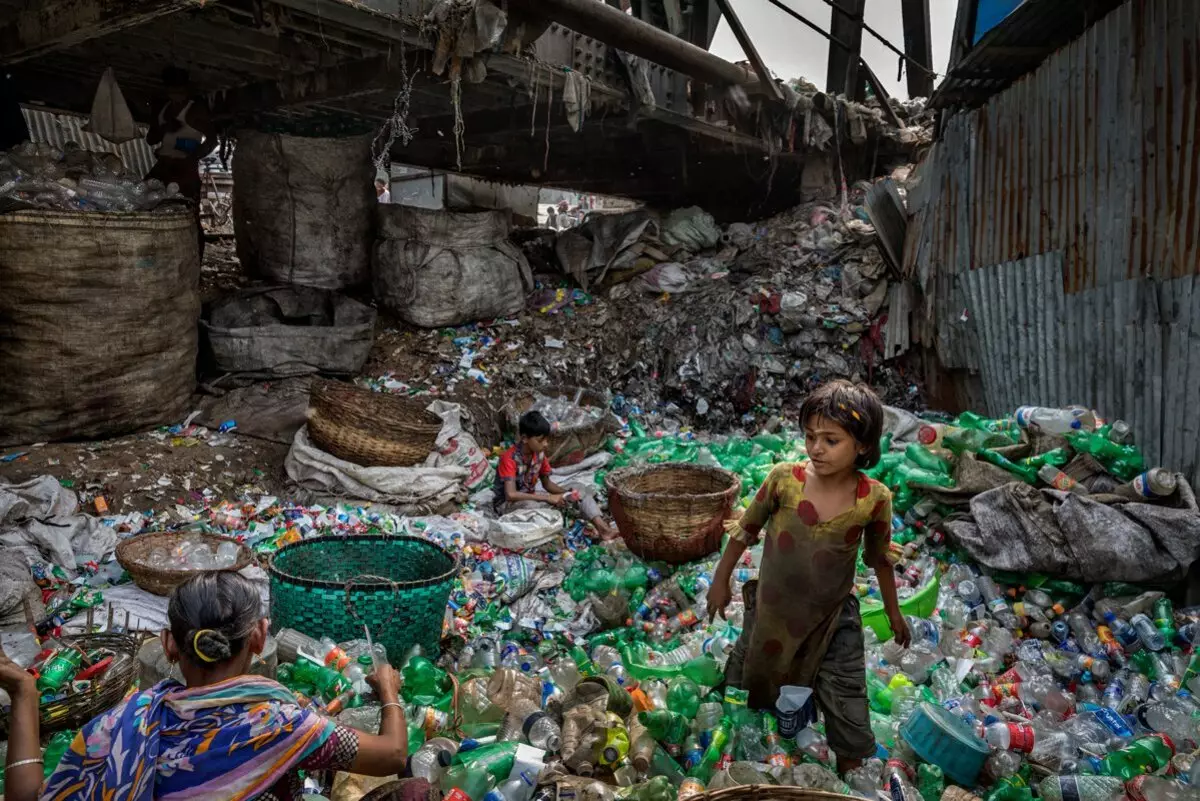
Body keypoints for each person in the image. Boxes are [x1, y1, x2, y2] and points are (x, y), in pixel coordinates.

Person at [0, 572, 408, 801]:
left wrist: (25, 692)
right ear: (260, 638)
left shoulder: (124, 724)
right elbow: (392, 755)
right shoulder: (279, 725)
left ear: (168, 644)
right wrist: (388, 690)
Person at [707, 379, 909, 776]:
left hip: (832, 618)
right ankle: (749, 760)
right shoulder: (784, 479)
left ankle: (852, 773)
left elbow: (879, 560)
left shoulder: (874, 499)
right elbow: (744, 531)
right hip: (772, 611)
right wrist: (720, 581)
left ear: (863, 445)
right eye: (811, 436)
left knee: (847, 696)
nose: (816, 448)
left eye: (831, 440)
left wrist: (894, 613)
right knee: (749, 685)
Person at [494, 410, 616, 540]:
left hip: (534, 497)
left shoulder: (539, 454)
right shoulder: (509, 458)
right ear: (524, 438)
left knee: (578, 489)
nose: (545, 444)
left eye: (546, 439)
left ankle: (603, 529)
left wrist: (566, 494)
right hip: (508, 505)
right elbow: (510, 494)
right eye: (540, 440)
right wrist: (548, 498)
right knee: (532, 506)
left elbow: (547, 484)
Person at [145, 67, 217, 260]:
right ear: (167, 90)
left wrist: (192, 157)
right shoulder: (163, 109)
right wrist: (164, 127)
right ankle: (158, 256)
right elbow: (150, 139)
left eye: (180, 91)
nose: (176, 95)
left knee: (188, 213)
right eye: (172, 91)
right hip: (163, 166)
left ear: (187, 90)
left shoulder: (195, 110)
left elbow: (212, 141)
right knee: (146, 201)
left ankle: (194, 263)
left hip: (185, 167)